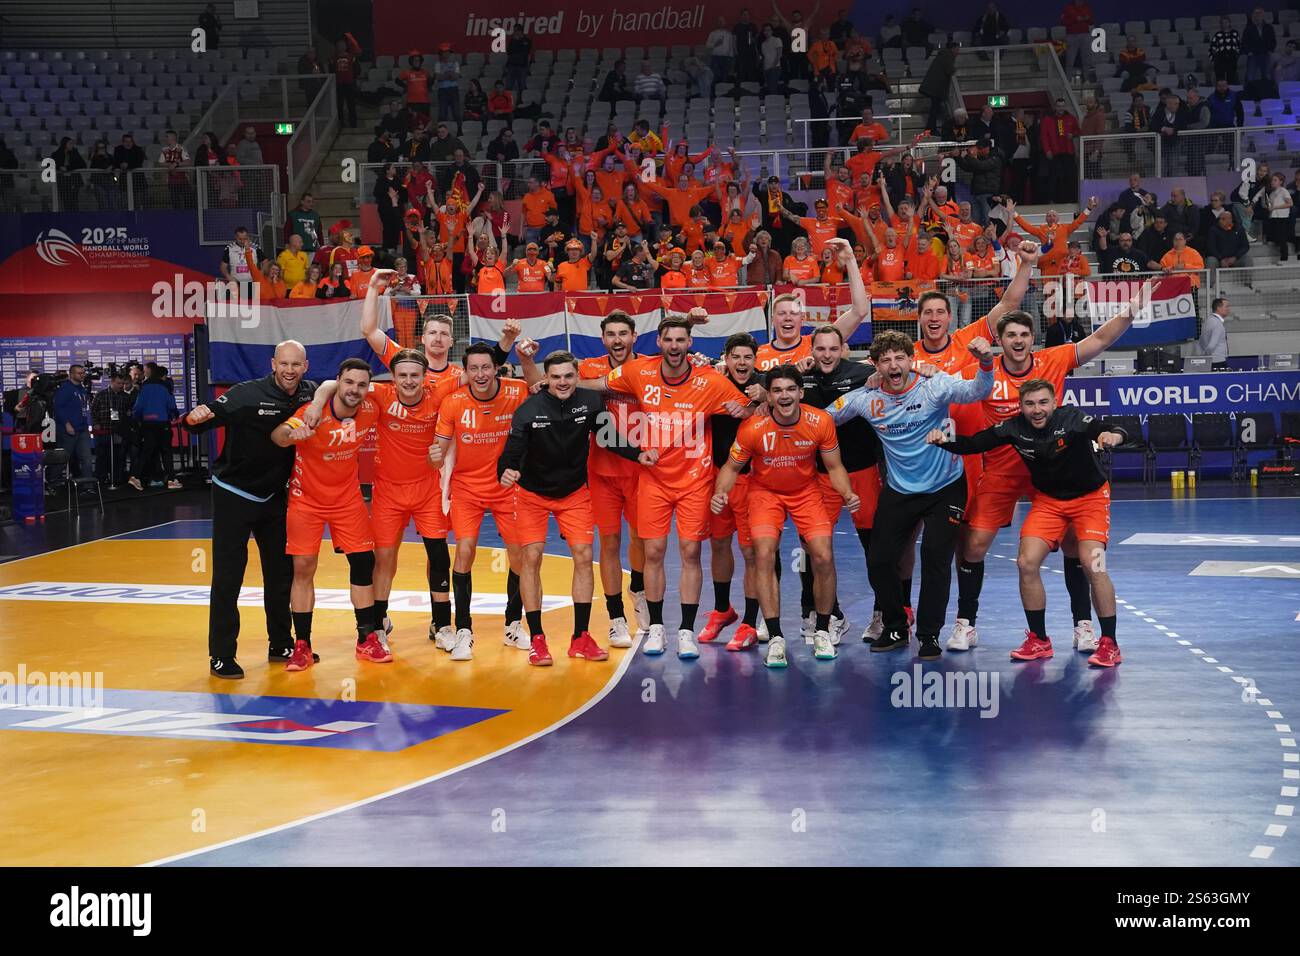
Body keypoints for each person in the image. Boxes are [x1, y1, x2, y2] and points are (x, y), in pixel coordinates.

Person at [952, 281, 1153, 653]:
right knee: (974, 546)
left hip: (1054, 474)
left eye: (1024, 334)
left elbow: (1099, 341)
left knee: (1079, 551)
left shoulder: (1053, 360)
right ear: (1000, 338)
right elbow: (939, 384)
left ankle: (1083, 626)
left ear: (1033, 338)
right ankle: (966, 622)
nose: (1017, 340)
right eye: (1010, 334)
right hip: (1002, 470)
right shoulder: (981, 371)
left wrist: (1129, 311)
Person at [579, 314, 750, 659]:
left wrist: (750, 403)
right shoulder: (638, 372)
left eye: (680, 340)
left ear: (690, 344)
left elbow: (747, 409)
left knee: (690, 553)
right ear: (657, 342)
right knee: (653, 552)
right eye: (668, 340)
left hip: (694, 481)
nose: (674, 346)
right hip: (652, 478)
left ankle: (685, 630)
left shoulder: (711, 381)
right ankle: (656, 626)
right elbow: (599, 384)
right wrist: (549, 384)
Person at [927, 382, 1126, 666]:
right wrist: (943, 439)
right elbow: (974, 444)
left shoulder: (1071, 418)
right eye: (1030, 404)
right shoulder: (1013, 428)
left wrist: (1111, 437)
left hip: (1090, 499)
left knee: (1092, 564)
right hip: (1048, 502)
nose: (1037, 410)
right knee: (1026, 562)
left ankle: (1109, 643)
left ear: (1054, 402)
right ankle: (1039, 640)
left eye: (1043, 402)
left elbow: (1111, 429)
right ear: (1022, 406)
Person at [828, 331, 995, 660]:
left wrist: (986, 362)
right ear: (876, 365)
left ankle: (929, 634)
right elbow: (822, 417)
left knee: (935, 557)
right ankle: (894, 626)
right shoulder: (866, 398)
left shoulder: (934, 386)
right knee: (878, 560)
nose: (893, 365)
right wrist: (774, 400)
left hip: (945, 485)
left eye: (899, 357)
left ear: (910, 359)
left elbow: (978, 389)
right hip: (900, 489)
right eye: (885, 360)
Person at [500, 350, 654, 665]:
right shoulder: (529, 410)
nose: (563, 382)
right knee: (531, 557)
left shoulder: (590, 402)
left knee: (584, 556)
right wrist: (507, 469)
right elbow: (512, 450)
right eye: (555, 377)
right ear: (546, 379)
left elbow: (608, 436)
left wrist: (638, 454)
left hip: (574, 493)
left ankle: (580, 637)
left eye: (569, 376)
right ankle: (538, 639)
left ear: (576, 376)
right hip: (532, 494)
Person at [184, 341, 319, 678]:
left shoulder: (310, 394)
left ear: (305, 366)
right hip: (234, 494)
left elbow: (334, 391)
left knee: (280, 574)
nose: (289, 370)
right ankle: (221, 655)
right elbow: (200, 421)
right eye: (284, 363)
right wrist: (193, 417)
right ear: (273, 363)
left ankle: (281, 643)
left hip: (274, 495)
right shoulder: (246, 394)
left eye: (296, 365)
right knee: (229, 577)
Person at [713, 364, 858, 668]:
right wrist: (720, 492)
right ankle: (776, 636)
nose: (784, 395)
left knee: (822, 556)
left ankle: (821, 630)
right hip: (765, 493)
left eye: (790, 389)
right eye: (777, 390)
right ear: (769, 395)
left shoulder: (820, 421)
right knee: (763, 554)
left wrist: (847, 493)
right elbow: (730, 467)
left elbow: (834, 466)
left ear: (800, 393)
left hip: (806, 492)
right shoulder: (754, 427)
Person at [272, 359, 389, 671]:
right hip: (306, 500)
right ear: (338, 381)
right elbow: (279, 435)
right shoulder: (312, 413)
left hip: (347, 500)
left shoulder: (370, 408)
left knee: (364, 563)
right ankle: (302, 645)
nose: (355, 389)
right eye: (349, 383)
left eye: (362, 385)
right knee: (303, 567)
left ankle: (366, 639)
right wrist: (290, 437)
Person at [429, 345, 535, 659]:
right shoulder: (453, 402)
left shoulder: (517, 392)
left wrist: (527, 357)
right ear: (466, 372)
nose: (480, 374)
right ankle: (463, 629)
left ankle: (513, 623)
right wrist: (434, 455)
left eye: (485, 368)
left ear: (496, 368)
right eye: (473, 369)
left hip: (506, 486)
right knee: (465, 548)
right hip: (467, 488)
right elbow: (438, 448)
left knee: (520, 556)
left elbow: (541, 388)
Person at [801, 323, 885, 642]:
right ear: (811, 350)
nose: (826, 355)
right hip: (820, 475)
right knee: (816, 548)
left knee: (873, 547)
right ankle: (830, 614)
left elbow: (902, 375)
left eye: (833, 349)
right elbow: (768, 384)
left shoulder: (863, 374)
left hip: (862, 472)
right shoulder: (801, 377)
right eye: (820, 349)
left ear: (844, 350)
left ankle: (882, 613)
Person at [699, 333, 768, 651]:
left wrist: (757, 400)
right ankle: (723, 609)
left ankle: (750, 623)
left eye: (747, 357)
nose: (741, 363)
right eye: (735, 357)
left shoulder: (766, 385)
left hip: (753, 479)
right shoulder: (713, 382)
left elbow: (786, 396)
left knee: (752, 553)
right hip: (716, 477)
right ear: (726, 358)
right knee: (719, 544)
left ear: (756, 360)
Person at [127, 365, 181, 491]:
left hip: (148, 424)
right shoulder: (165, 387)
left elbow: (138, 407)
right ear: (161, 375)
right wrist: (175, 414)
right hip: (162, 424)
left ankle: (136, 477)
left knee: (146, 452)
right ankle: (172, 480)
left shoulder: (144, 387)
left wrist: (136, 419)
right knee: (166, 452)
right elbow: (171, 405)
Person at [53, 364, 94, 483]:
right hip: (68, 430)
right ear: (71, 374)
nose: (82, 375)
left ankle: (88, 486)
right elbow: (58, 407)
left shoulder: (81, 388)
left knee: (87, 458)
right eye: (79, 373)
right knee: (62, 459)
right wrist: (66, 424)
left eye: (83, 373)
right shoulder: (65, 389)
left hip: (82, 429)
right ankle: (51, 482)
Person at [91, 371, 133, 486]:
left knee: (118, 455)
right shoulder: (101, 394)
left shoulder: (126, 397)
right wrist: (96, 423)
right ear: (112, 382)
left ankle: (116, 478)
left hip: (119, 431)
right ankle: (101, 478)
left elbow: (130, 411)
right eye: (119, 383)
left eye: (123, 383)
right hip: (103, 430)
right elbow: (93, 411)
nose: (121, 386)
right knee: (102, 455)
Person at [920, 42, 960, 133]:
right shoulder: (947, 56)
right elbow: (950, 70)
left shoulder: (943, 55)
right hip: (936, 88)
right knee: (935, 109)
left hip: (934, 88)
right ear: (952, 49)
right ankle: (930, 129)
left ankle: (930, 128)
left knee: (935, 109)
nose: (958, 52)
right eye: (957, 49)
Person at [1242, 7, 1277, 91]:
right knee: (1250, 77)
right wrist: (1248, 52)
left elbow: (1273, 41)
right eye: (1255, 13)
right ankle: (1250, 94)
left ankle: (1267, 94)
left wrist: (1270, 50)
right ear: (1253, 15)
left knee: (1267, 76)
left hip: (1265, 55)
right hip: (1253, 55)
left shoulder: (1269, 27)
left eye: (1259, 13)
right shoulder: (1248, 28)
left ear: (1263, 15)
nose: (1257, 15)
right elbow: (1244, 42)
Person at [332, 35, 362, 129]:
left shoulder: (351, 57)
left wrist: (353, 78)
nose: (341, 47)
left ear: (345, 46)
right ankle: (341, 124)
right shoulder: (333, 59)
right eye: (339, 45)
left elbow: (357, 69)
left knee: (351, 105)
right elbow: (331, 71)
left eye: (342, 45)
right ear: (337, 47)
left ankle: (353, 125)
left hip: (350, 84)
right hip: (338, 85)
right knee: (339, 105)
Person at [1061, 1, 1094, 78]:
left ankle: (1087, 79)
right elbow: (1063, 21)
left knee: (1086, 59)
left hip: (1085, 35)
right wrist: (1075, 19)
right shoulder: (1068, 8)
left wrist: (1087, 18)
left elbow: (1092, 21)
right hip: (1072, 36)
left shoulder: (1087, 7)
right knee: (1070, 60)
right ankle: (1067, 80)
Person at [1200, 297, 1231, 370]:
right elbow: (1211, 345)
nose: (1229, 309)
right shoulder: (1217, 324)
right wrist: (1206, 356)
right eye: (1226, 306)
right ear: (1219, 308)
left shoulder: (1208, 321)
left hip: (1211, 361)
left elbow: (1201, 341)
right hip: (1218, 361)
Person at [504, 25, 532, 102]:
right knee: (509, 85)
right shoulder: (512, 40)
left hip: (522, 66)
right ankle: (507, 101)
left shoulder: (527, 41)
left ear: (520, 31)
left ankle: (521, 101)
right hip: (511, 65)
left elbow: (525, 51)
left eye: (516, 30)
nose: (514, 32)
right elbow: (509, 51)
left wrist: (517, 42)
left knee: (522, 85)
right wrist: (515, 42)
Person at [1210, 16, 1241, 84]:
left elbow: (1238, 45)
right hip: (1220, 58)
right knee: (1220, 79)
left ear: (1229, 23)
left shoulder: (1235, 33)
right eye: (1223, 23)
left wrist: (1237, 56)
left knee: (1231, 78)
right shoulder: (1218, 34)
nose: (1224, 24)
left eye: (1226, 22)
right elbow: (1212, 47)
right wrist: (1212, 58)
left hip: (1232, 58)